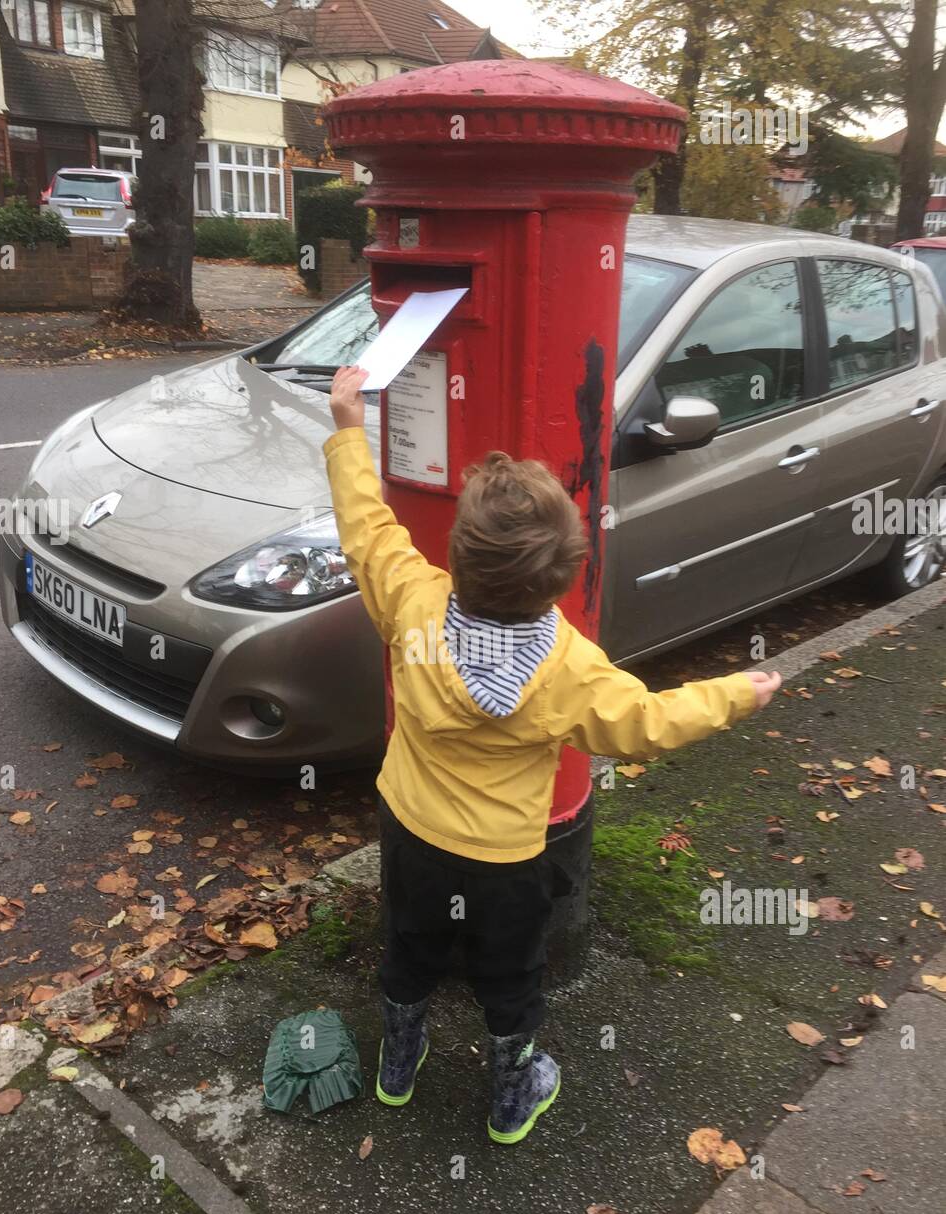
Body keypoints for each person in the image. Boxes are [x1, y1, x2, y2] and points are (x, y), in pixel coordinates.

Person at [326, 366, 780, 1144]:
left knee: (409, 943)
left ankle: (397, 1066)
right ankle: (511, 1097)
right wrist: (737, 692)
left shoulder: (413, 601)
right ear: (563, 580)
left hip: (411, 829)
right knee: (510, 976)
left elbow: (367, 530)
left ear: (456, 556)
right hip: (504, 859)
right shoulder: (568, 668)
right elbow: (646, 721)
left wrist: (346, 427)